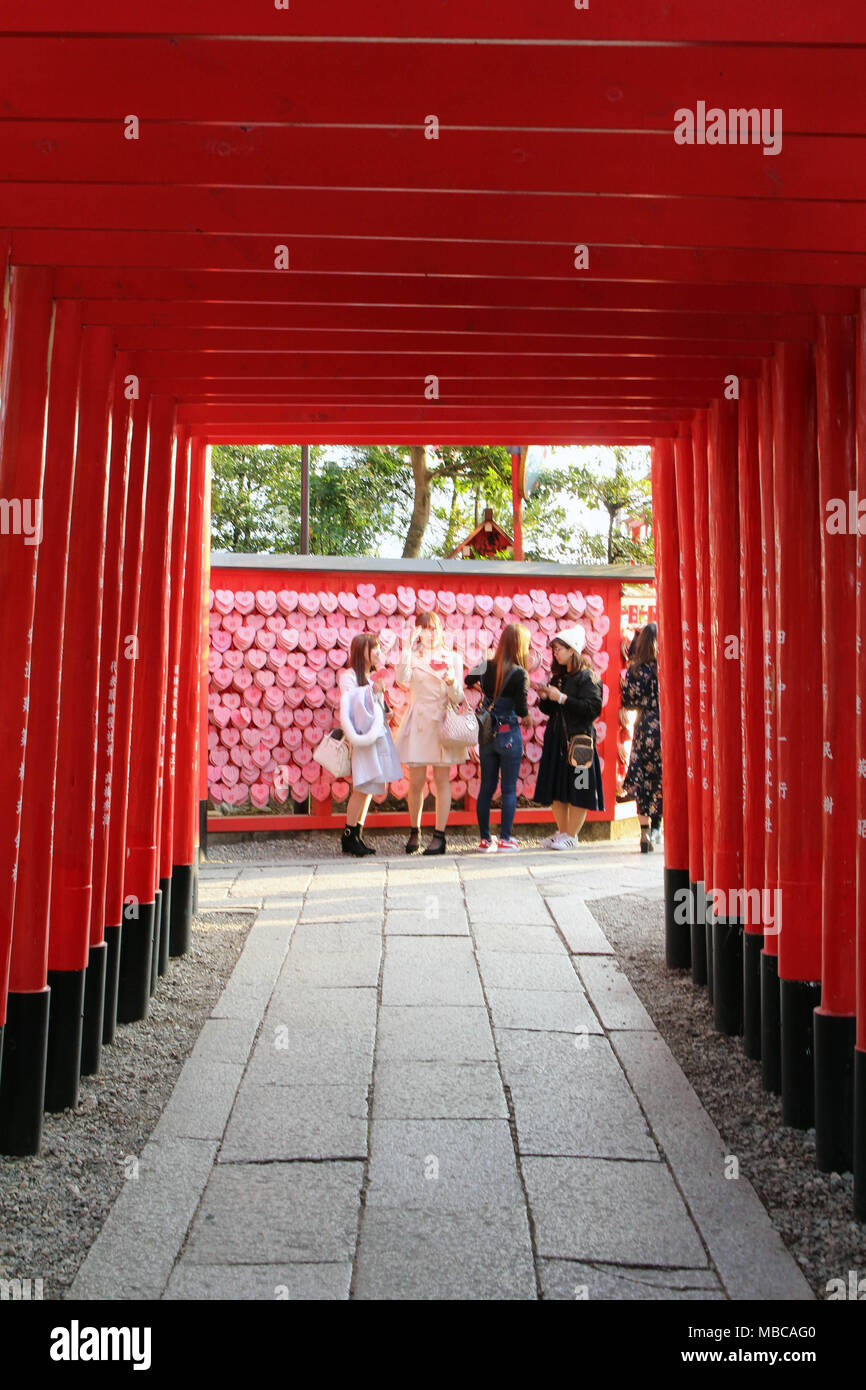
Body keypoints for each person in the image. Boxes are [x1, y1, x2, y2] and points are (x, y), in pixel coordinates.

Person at [393, 609, 470, 855]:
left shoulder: (453, 658)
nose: (430, 634)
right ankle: (414, 831)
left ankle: (439, 835)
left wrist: (451, 682)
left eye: (434, 628)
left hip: (442, 721)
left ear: (441, 630)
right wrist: (406, 646)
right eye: (424, 629)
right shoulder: (412, 656)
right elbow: (402, 678)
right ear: (417, 632)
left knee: (441, 780)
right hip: (418, 720)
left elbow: (458, 697)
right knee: (415, 781)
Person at [534, 626, 604, 849]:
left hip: (581, 741)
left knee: (580, 787)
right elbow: (550, 710)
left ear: (572, 649)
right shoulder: (559, 678)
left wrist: (562, 698)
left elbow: (592, 708)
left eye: (559, 648)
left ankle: (572, 835)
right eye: (554, 649)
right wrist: (545, 697)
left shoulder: (588, 677)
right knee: (557, 787)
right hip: (558, 740)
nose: (555, 653)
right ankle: (563, 832)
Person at [465, 622, 530, 852]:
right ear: (520, 646)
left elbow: (467, 680)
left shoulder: (486, 666)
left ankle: (485, 840)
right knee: (509, 788)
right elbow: (521, 710)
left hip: (487, 734)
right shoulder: (519, 673)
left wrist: (484, 693)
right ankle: (505, 839)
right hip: (508, 733)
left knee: (486, 787)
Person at [338, 633, 402, 857]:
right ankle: (348, 835)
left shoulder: (371, 677)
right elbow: (349, 703)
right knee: (362, 787)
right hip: (361, 739)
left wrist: (387, 712)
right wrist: (371, 691)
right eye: (372, 648)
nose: (377, 652)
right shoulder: (349, 676)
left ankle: (356, 834)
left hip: (374, 739)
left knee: (370, 788)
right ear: (360, 652)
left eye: (377, 648)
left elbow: (375, 711)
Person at [621, 621, 662, 852]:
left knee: (643, 775)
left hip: (645, 724)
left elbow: (628, 701)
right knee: (662, 777)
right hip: (667, 724)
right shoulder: (669, 668)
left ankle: (644, 831)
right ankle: (658, 826)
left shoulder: (636, 670)